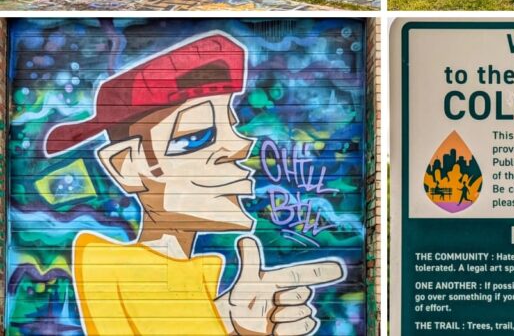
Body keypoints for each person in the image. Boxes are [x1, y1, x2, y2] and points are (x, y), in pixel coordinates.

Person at [44, 31, 344, 335]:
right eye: (195, 136)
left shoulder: (174, 282)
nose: (239, 145)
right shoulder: (124, 277)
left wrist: (230, 322)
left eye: (232, 125)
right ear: (128, 166)